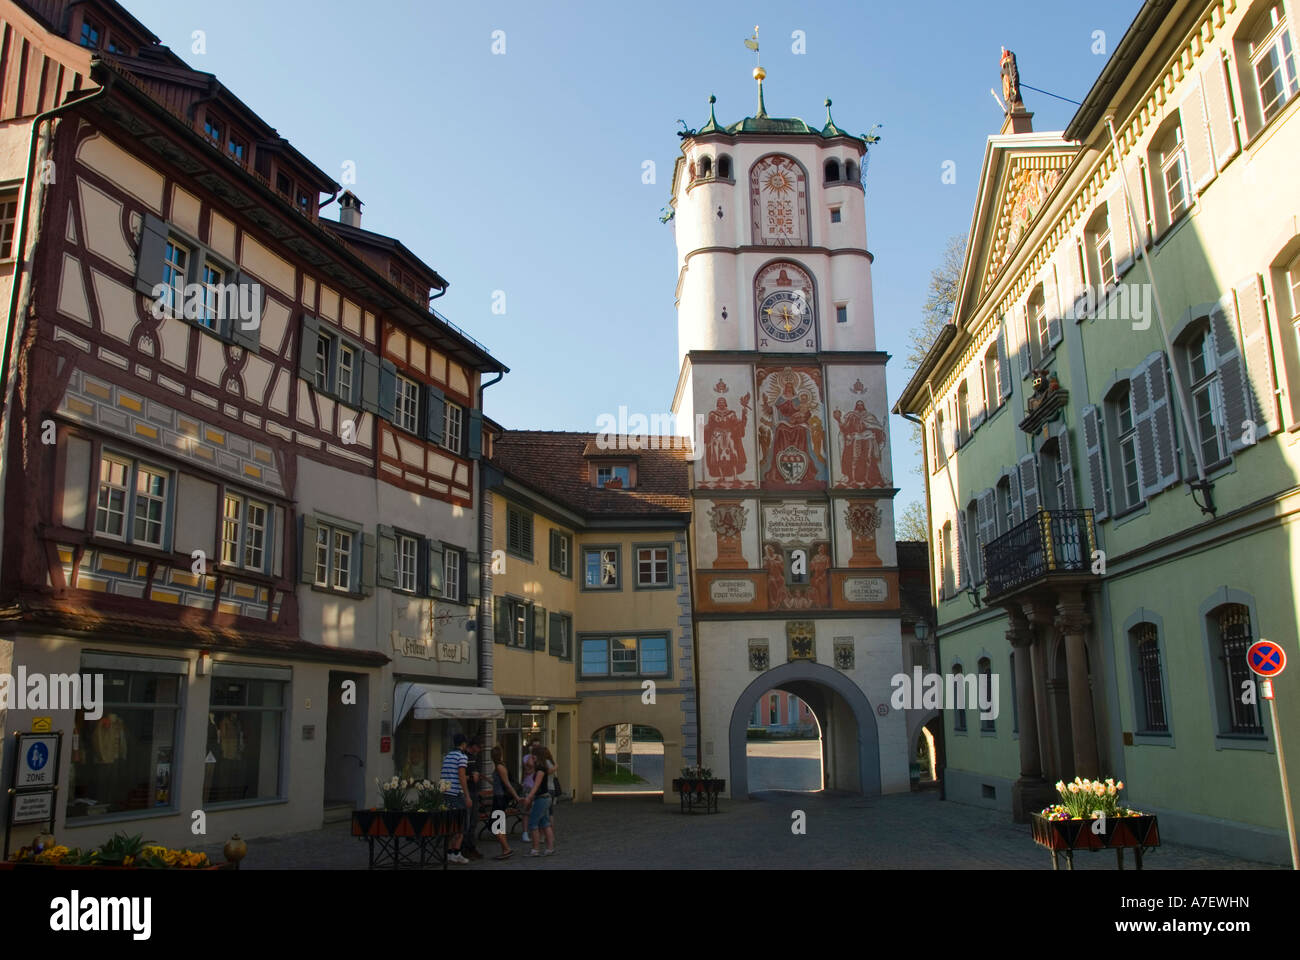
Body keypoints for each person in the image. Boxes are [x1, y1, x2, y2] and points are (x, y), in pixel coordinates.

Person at [440, 733, 472, 865]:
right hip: (456, 794)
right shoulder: (461, 757)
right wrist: (467, 795)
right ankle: (456, 853)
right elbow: (461, 776)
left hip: (446, 793)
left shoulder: (447, 756)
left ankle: (448, 853)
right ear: (464, 744)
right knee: (462, 824)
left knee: (450, 824)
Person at [521, 745, 557, 857]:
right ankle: (550, 848)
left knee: (533, 823)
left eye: (533, 755)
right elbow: (528, 766)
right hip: (545, 798)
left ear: (538, 756)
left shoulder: (541, 770)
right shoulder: (540, 767)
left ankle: (535, 849)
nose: (532, 756)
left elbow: (536, 786)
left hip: (541, 798)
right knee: (545, 823)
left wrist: (529, 797)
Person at [488, 745, 521, 860]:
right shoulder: (498, 767)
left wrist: (516, 797)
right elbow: (498, 784)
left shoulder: (500, 767)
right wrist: (486, 779)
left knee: (494, 825)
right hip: (498, 797)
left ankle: (507, 848)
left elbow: (507, 785)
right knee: (498, 824)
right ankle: (505, 849)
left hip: (500, 799)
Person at [459, 737, 485, 860]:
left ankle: (471, 847)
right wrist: (471, 777)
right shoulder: (464, 756)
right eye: (479, 747)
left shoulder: (475, 757)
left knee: (474, 820)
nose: (480, 750)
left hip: (475, 791)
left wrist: (478, 776)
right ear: (472, 745)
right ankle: (464, 848)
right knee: (467, 822)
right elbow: (461, 775)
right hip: (467, 792)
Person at [519, 752, 536, 844]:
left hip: (536, 788)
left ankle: (536, 832)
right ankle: (525, 833)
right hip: (527, 787)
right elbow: (527, 770)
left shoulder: (538, 759)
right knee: (526, 811)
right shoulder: (526, 757)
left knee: (536, 811)